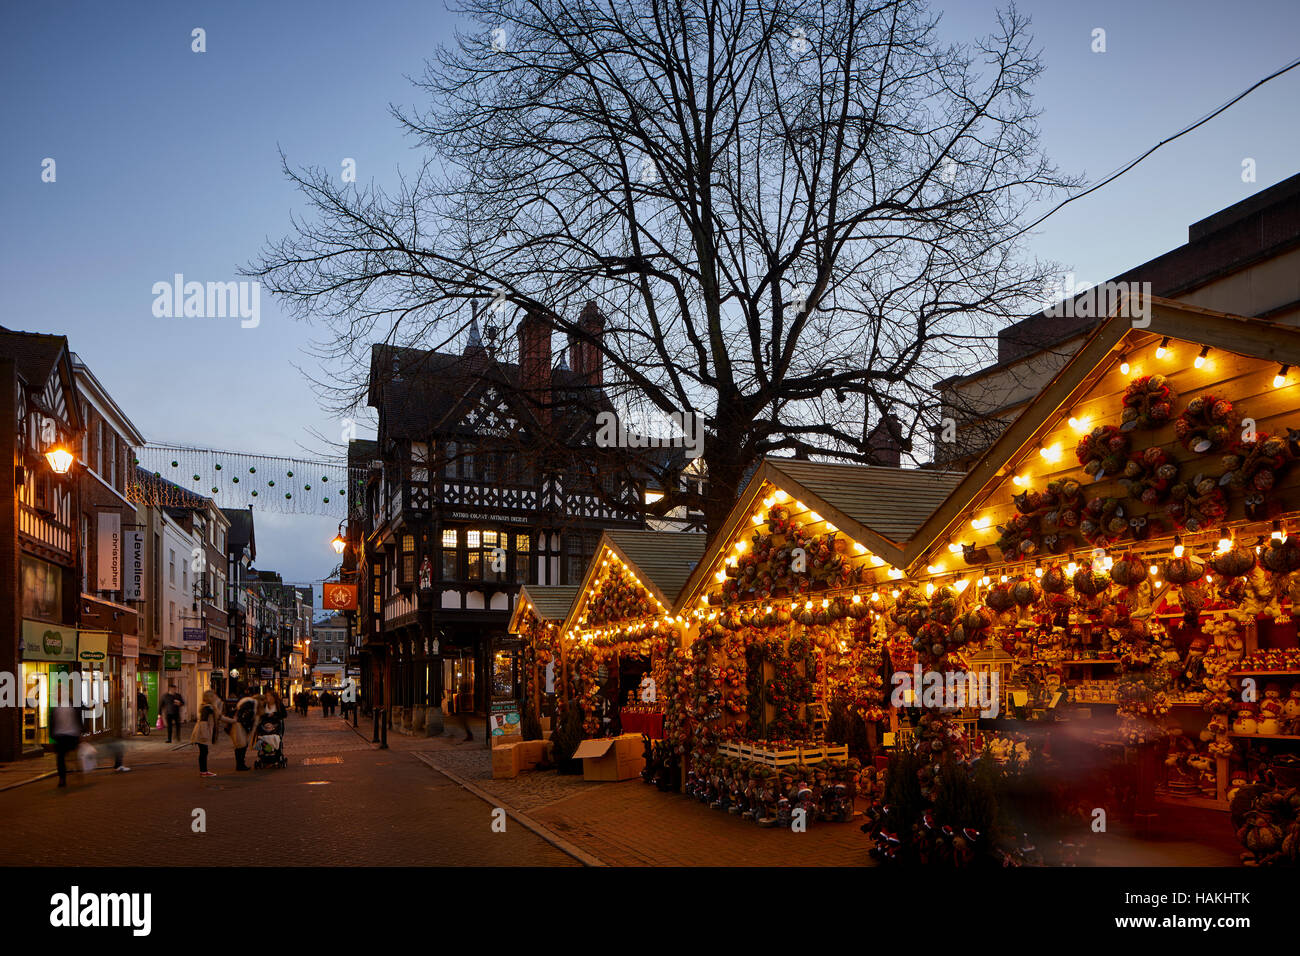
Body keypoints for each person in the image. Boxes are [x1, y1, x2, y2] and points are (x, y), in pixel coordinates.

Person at [190, 690, 231, 776]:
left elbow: (220, 717)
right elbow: (203, 721)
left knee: (204, 752)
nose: (215, 697)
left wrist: (233, 721)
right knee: (203, 752)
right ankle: (203, 771)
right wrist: (205, 735)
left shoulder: (210, 707)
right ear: (210, 697)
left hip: (201, 732)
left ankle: (203, 771)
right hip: (201, 733)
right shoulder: (207, 708)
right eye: (213, 696)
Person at [51, 701, 82, 788]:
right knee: (60, 758)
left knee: (72, 757)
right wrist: (53, 735)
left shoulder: (73, 706)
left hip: (72, 735)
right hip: (60, 736)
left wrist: (81, 733)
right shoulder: (56, 708)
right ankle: (62, 778)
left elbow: (79, 720)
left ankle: (77, 771)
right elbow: (52, 722)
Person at [228, 696, 257, 770]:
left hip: (238, 725)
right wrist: (247, 726)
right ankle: (240, 765)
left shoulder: (248, 702)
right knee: (242, 745)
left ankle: (240, 764)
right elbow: (246, 715)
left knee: (240, 745)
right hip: (239, 725)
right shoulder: (251, 704)